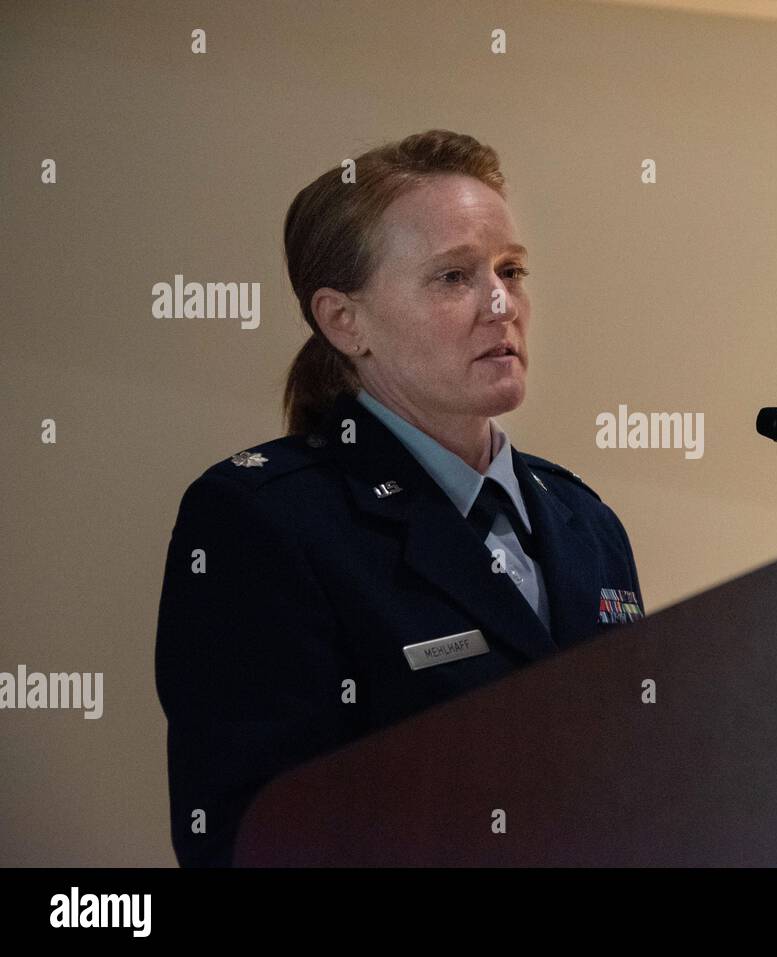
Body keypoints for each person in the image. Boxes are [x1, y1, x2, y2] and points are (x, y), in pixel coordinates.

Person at [154, 129, 645, 868]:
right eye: (453, 277)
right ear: (344, 321)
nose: (500, 302)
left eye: (511, 270)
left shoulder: (586, 521)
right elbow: (249, 840)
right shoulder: (263, 520)